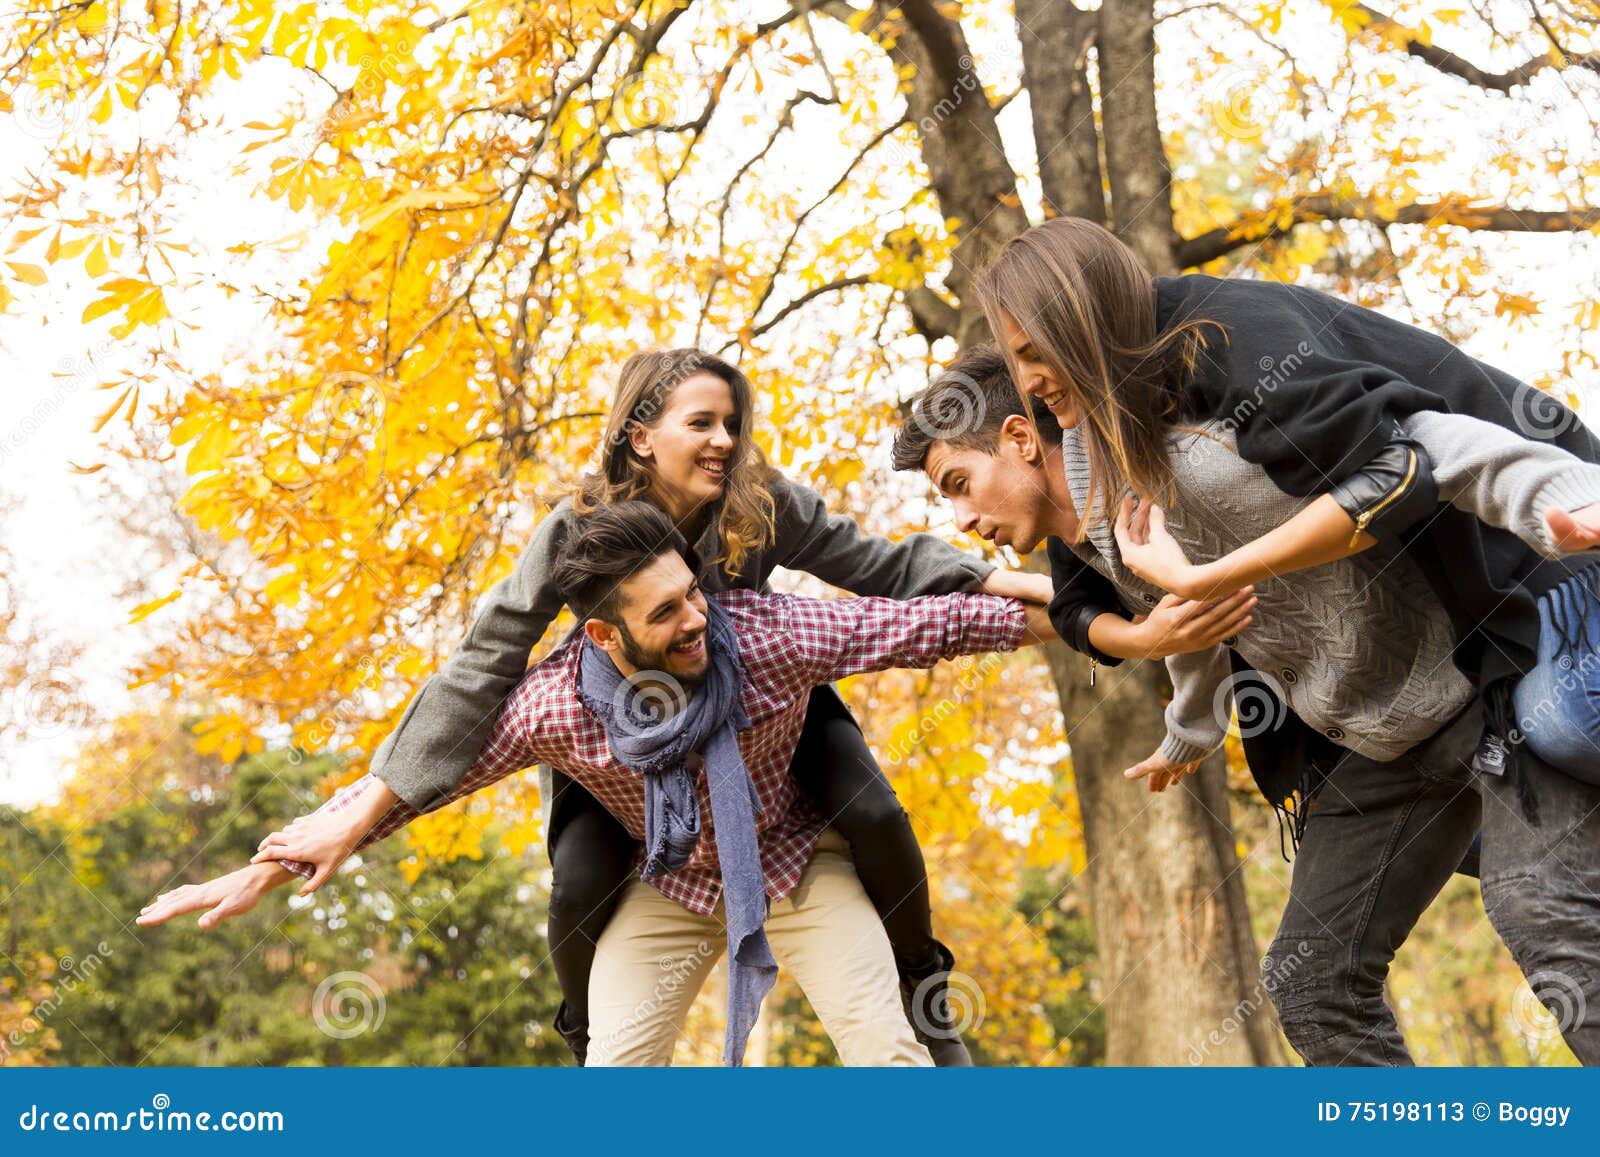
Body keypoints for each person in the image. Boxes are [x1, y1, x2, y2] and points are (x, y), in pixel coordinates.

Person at [187, 348, 1056, 1065]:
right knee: (578, 883)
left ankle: (920, 986)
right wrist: (325, 833)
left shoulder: (758, 506)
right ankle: (587, 1031)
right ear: (639, 435)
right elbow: (483, 665)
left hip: (759, 700)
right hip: (630, 744)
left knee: (871, 807)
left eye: (731, 423)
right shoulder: (579, 535)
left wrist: (1045, 594)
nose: (724, 440)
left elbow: (881, 572)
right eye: (701, 423)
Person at [893, 340, 1600, 1066]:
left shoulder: (1194, 462)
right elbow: (1181, 621)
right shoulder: (1097, 541)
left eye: (958, 482)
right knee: (1312, 982)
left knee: (1544, 912)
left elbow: (1422, 446)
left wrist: (1564, 493)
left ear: (1018, 439)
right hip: (1375, 742)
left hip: (1485, 690)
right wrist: (1188, 730)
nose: (963, 516)